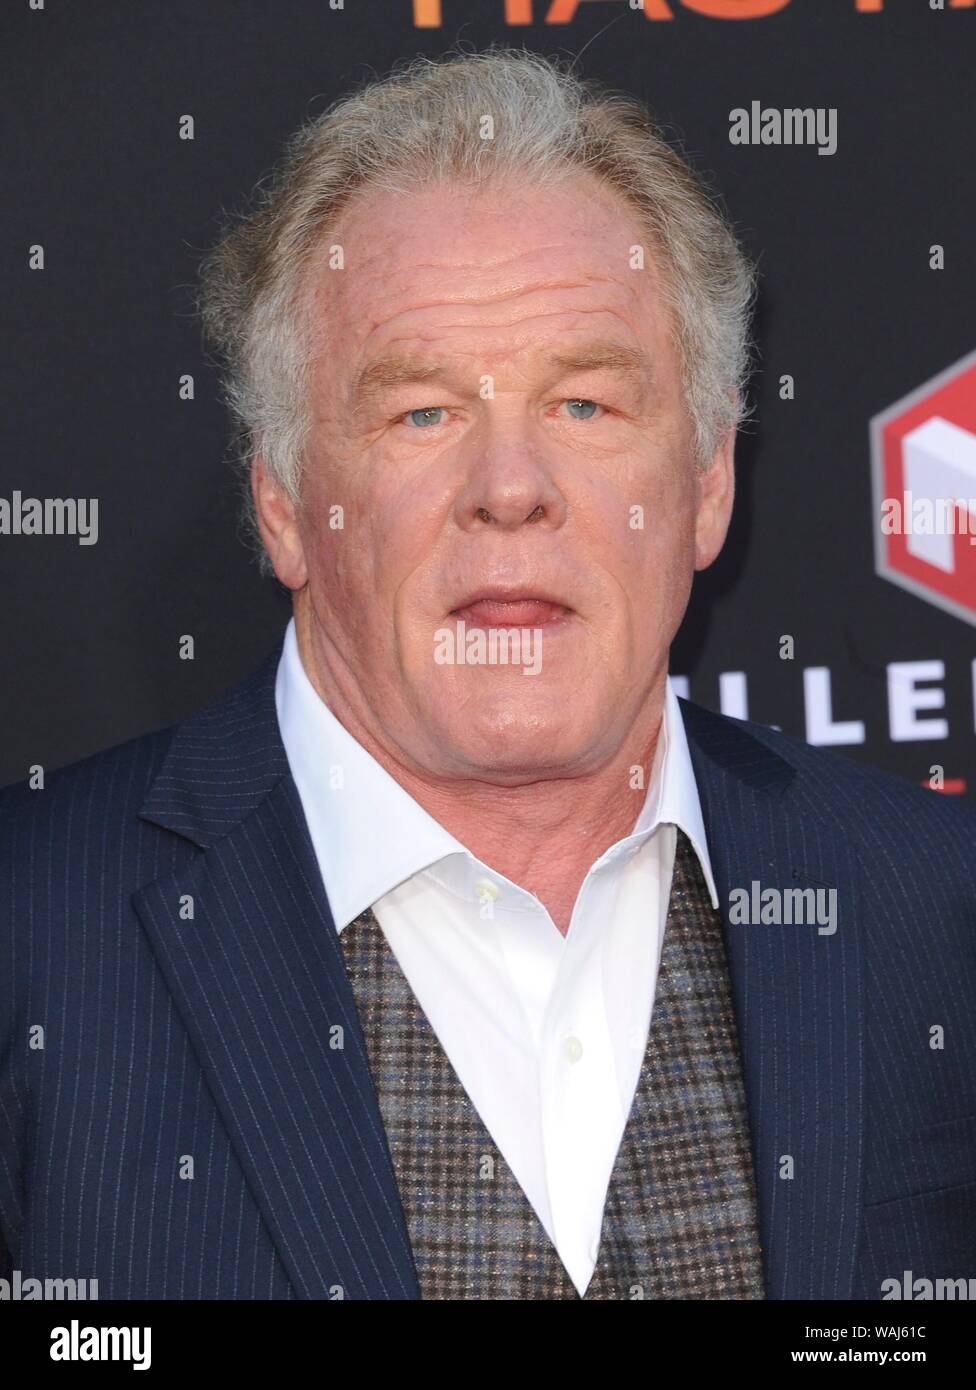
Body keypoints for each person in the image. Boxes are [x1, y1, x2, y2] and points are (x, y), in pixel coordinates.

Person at [2, 47, 975, 1302]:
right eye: (421, 413)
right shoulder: (31, 937)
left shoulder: (930, 909)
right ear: (285, 501)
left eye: (584, 405)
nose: (510, 489)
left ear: (708, 483)